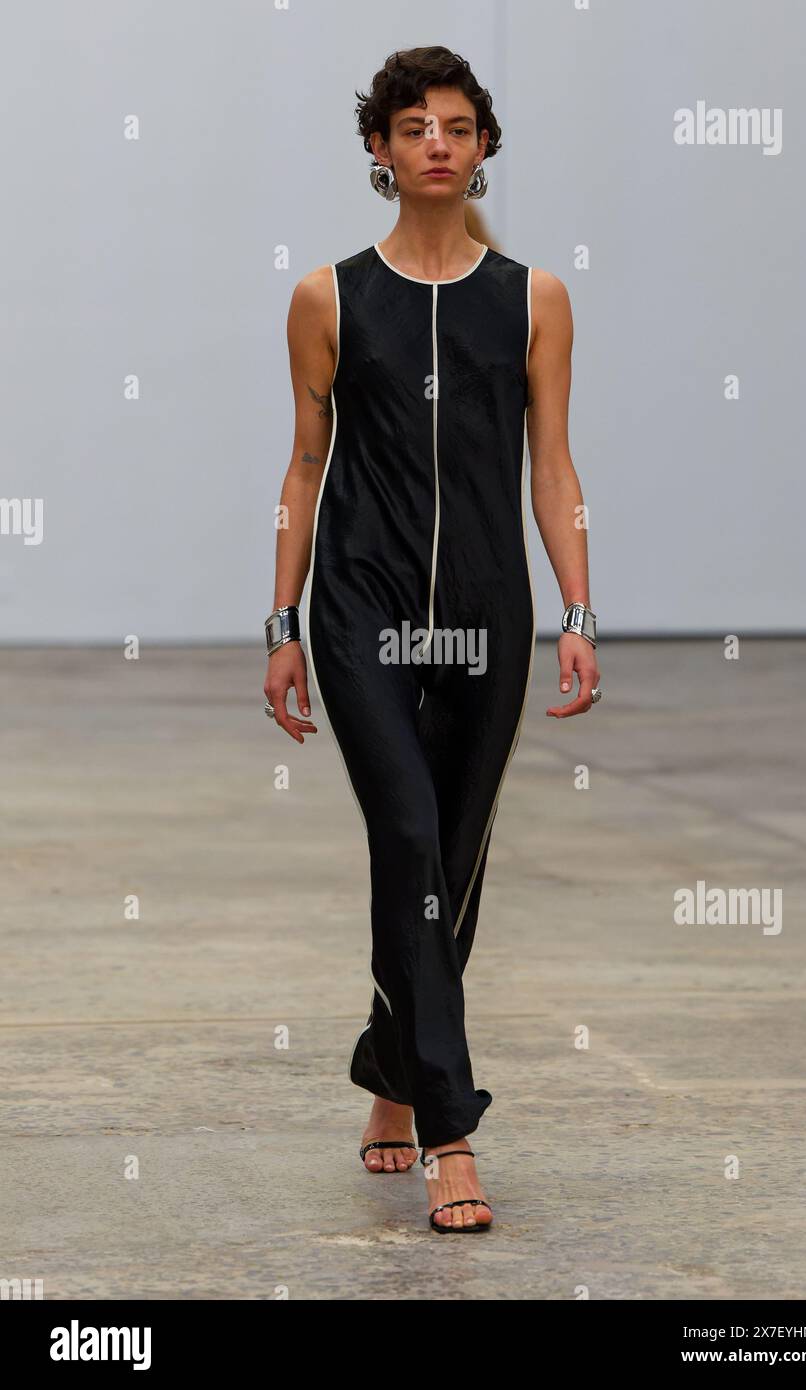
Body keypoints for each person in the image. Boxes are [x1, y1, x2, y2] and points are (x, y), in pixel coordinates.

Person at [263, 46, 600, 1234]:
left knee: (447, 861)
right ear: (380, 151)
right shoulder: (328, 297)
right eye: (413, 127)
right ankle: (450, 1126)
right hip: (358, 607)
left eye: (458, 126)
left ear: (483, 148)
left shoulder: (534, 298)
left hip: (487, 613)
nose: (437, 144)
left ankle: (390, 1065)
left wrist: (573, 610)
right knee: (404, 829)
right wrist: (282, 624)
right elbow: (304, 467)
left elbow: (551, 466)